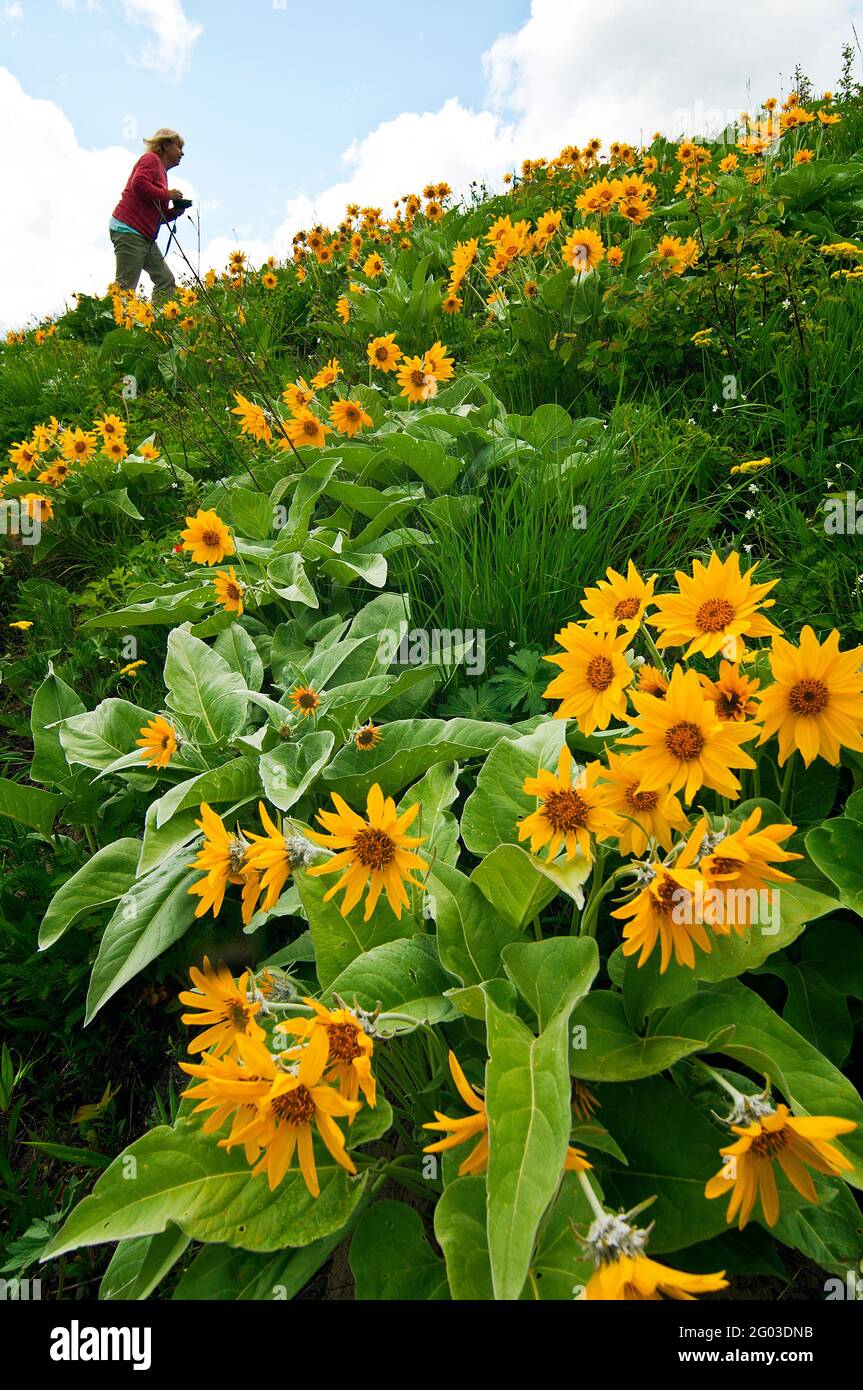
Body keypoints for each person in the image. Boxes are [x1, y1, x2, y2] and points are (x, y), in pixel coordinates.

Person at [110, 128, 187, 307]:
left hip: (143, 236)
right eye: (179, 146)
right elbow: (138, 184)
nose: (182, 153)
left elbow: (155, 214)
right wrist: (168, 195)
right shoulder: (151, 159)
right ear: (166, 145)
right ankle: (111, 326)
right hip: (129, 230)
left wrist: (173, 213)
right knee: (125, 289)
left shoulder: (162, 172)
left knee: (166, 280)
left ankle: (158, 324)